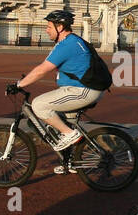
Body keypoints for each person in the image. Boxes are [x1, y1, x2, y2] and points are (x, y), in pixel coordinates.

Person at [8, 9, 105, 156]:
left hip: (82, 90)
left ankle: (70, 134)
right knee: (60, 122)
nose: (46, 30)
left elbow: (42, 69)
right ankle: (71, 160)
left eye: (49, 26)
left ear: (59, 27)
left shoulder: (67, 45)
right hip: (82, 89)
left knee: (39, 104)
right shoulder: (71, 41)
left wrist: (19, 84)